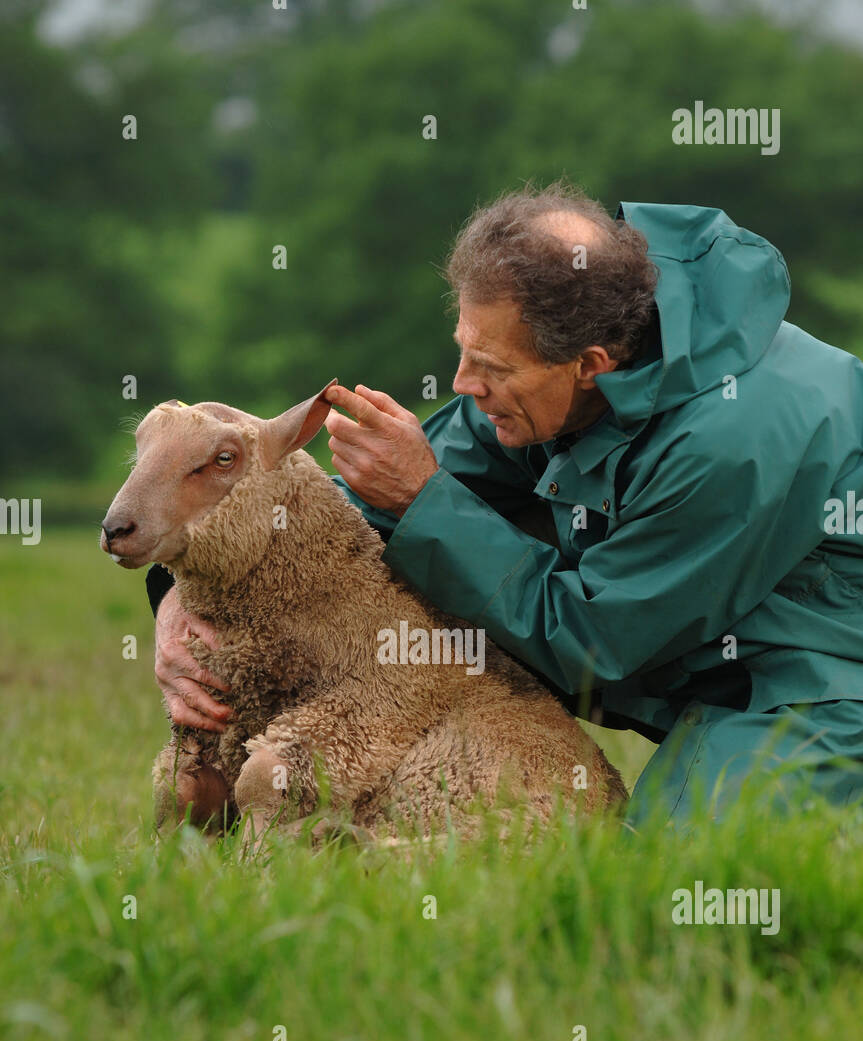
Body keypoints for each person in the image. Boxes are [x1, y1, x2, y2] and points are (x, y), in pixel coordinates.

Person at [150, 181, 863, 827]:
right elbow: (349, 527)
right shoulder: (564, 362)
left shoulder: (732, 439)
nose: (461, 384)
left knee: (672, 885)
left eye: (488, 368)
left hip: (815, 674)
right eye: (462, 351)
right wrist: (177, 601)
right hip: (696, 647)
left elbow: (598, 644)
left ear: (590, 364)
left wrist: (425, 498)